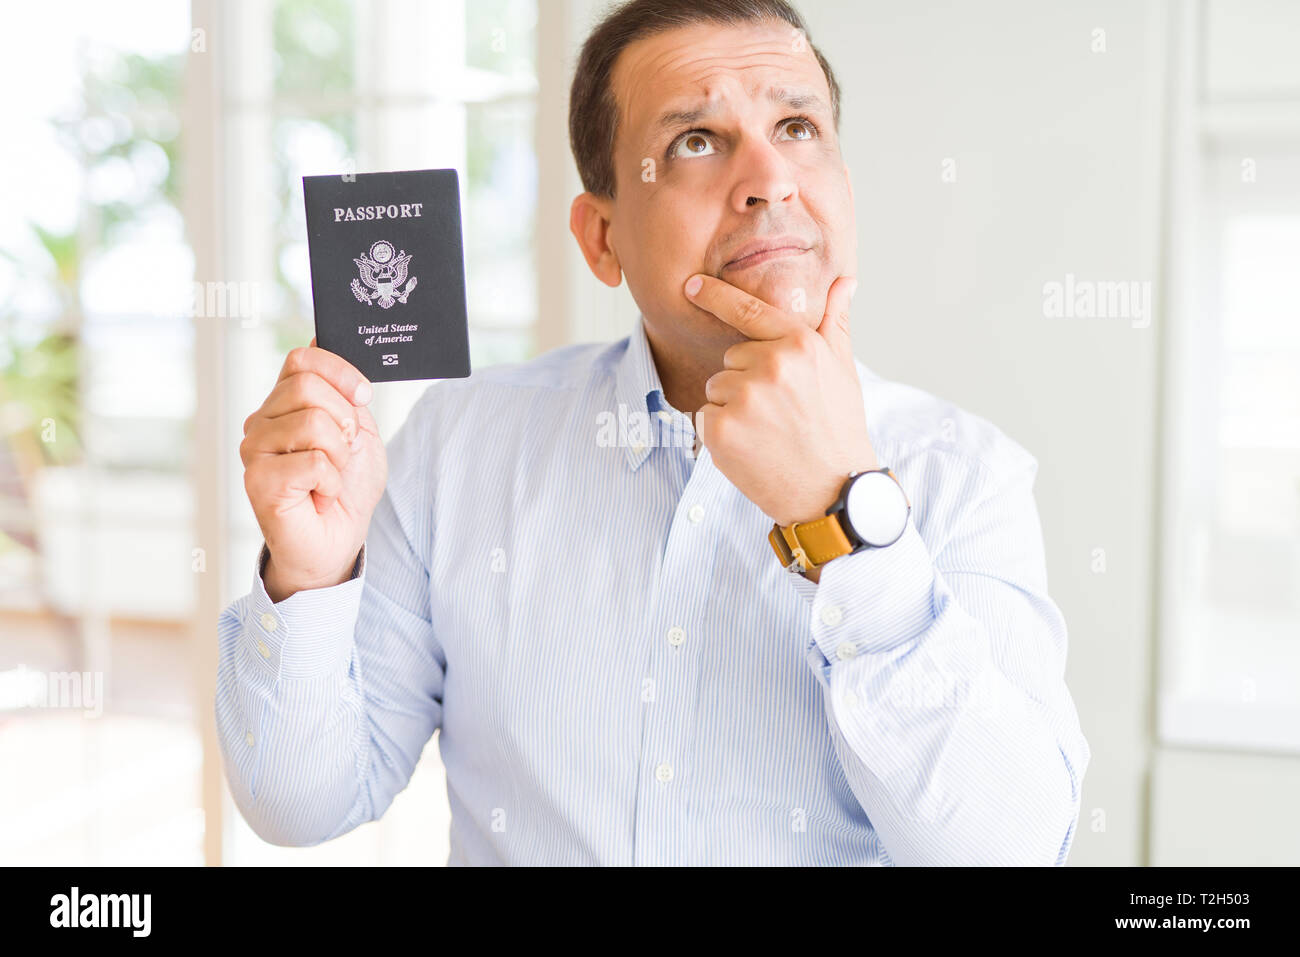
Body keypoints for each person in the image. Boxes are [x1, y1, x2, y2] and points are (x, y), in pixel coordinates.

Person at [219, 0, 1089, 865]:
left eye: (797, 126)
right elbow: (304, 803)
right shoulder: (456, 448)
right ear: (604, 238)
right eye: (695, 141)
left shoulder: (968, 476)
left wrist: (843, 517)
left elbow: (1008, 850)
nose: (770, 179)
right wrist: (307, 575)